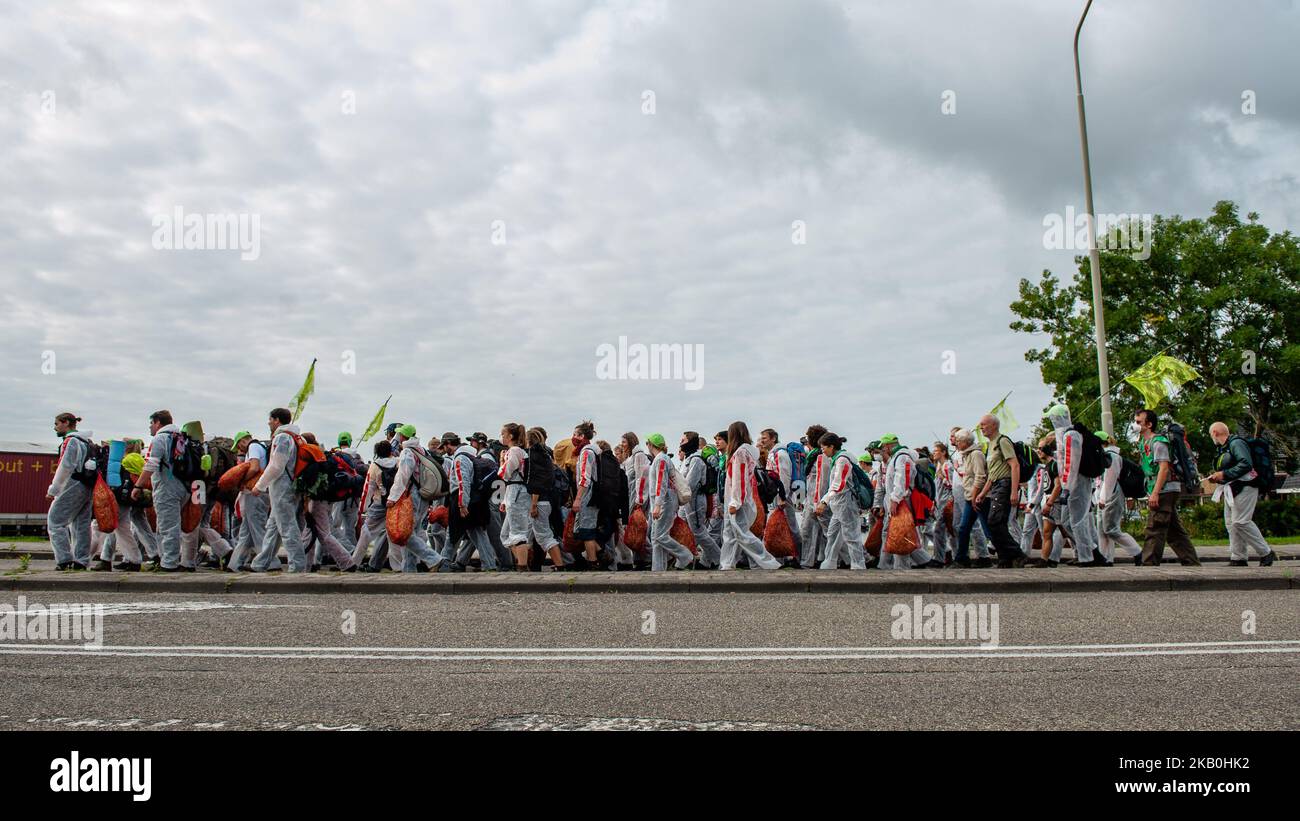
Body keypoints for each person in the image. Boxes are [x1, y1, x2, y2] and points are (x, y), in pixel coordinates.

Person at [1133, 409, 1200, 566]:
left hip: (1165, 489)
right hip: (1161, 488)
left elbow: (1164, 468)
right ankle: (1191, 561)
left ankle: (1149, 563)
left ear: (1149, 424)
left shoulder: (1158, 442)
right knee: (1173, 530)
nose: (1135, 425)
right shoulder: (1144, 443)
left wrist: (1155, 493)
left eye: (1138, 422)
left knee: (1155, 526)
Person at [250, 408, 310, 573]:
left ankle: (297, 565)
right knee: (273, 527)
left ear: (277, 420)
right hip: (293, 485)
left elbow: (276, 465)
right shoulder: (298, 438)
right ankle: (261, 563)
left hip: (282, 487)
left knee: (287, 527)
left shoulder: (282, 438)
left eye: (270, 419)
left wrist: (259, 485)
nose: (268, 422)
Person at [1207, 422, 1275, 567]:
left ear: (1214, 432)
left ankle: (1266, 552)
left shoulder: (1236, 443)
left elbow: (1246, 464)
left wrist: (1223, 473)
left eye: (1210, 434)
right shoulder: (1226, 446)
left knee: (1241, 521)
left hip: (1246, 486)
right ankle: (1238, 557)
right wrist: (1219, 477)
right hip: (1233, 487)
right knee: (1231, 523)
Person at [718, 421, 782, 571]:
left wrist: (735, 502)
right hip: (743, 498)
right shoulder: (749, 452)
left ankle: (769, 562)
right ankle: (727, 564)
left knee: (742, 534)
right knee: (731, 534)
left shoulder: (740, 453)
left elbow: (739, 479)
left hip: (738, 500)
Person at [1045, 404, 1099, 566]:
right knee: (1066, 521)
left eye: (1053, 417)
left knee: (1077, 520)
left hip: (1076, 482)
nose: (1052, 420)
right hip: (1070, 482)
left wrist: (1066, 487)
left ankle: (1087, 557)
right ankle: (1091, 551)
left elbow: (1071, 463)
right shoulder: (1064, 434)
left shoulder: (1071, 435)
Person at [135, 410, 187, 572]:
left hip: (166, 487)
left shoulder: (160, 438)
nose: (150, 427)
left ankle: (169, 563)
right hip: (183, 487)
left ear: (158, 422)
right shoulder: (182, 438)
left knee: (167, 526)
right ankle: (167, 558)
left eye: (151, 423)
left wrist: (138, 486)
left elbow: (151, 464)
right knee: (171, 526)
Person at [387, 424, 444, 572]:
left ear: (403, 436)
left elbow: (403, 475)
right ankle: (409, 569)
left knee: (405, 534)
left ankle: (433, 559)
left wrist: (393, 497)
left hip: (410, 495)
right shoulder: (421, 450)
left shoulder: (407, 451)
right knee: (413, 531)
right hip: (423, 495)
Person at [879, 434, 940, 569]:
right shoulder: (898, 458)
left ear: (888, 446)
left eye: (883, 448)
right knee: (901, 534)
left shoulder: (902, 457)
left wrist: (895, 500)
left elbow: (902, 480)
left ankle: (902, 569)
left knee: (901, 535)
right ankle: (921, 561)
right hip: (900, 501)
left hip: (902, 502)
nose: (883, 451)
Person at [974, 414, 1025, 567]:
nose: (981, 427)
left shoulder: (1002, 441)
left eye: (984, 424)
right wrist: (982, 493)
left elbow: (1014, 465)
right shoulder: (990, 445)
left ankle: (1016, 552)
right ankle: (1005, 558)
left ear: (994, 426)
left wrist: (1014, 491)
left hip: (1005, 483)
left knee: (994, 521)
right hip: (996, 484)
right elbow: (992, 473)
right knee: (997, 523)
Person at [46, 412, 95, 570]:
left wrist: (54, 489)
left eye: (57, 424)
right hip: (87, 485)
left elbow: (65, 466)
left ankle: (64, 560)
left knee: (55, 522)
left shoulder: (71, 441)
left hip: (72, 483)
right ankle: (81, 561)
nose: (55, 427)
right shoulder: (87, 442)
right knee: (81, 524)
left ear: (66, 423)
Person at [813, 433, 868, 570]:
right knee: (832, 534)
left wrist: (824, 501)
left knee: (851, 536)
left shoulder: (842, 460)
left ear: (832, 446)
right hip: (839, 504)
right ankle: (829, 562)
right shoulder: (838, 459)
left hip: (846, 503)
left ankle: (858, 565)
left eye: (823, 447)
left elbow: (838, 484)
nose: (822, 451)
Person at [645, 433, 695, 570]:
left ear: (650, 444)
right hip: (665, 501)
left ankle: (685, 555)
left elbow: (661, 483)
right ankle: (658, 569)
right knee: (656, 538)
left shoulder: (660, 460)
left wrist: (657, 505)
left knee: (659, 535)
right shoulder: (662, 459)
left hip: (665, 502)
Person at [227, 430, 271, 572]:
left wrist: (241, 481)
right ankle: (235, 564)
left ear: (243, 441)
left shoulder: (253, 447)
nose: (239, 449)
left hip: (255, 493)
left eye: (239, 445)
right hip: (259, 492)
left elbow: (254, 467)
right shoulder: (261, 447)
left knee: (258, 528)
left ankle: (270, 563)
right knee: (245, 533)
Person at [1095, 432, 1142, 564]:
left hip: (1111, 495)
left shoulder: (1112, 457)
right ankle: (1105, 558)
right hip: (1104, 496)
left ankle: (1138, 552)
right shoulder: (1104, 456)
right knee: (1102, 530)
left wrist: (1103, 498)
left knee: (1111, 529)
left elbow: (1110, 479)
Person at [354, 439, 399, 572]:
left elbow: (368, 490)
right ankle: (397, 565)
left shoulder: (374, 466)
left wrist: (362, 509)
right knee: (392, 533)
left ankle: (354, 561)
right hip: (396, 502)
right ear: (391, 451)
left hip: (379, 502)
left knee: (366, 532)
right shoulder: (398, 462)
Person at [759, 428, 803, 557]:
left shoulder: (780, 454)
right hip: (776, 495)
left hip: (782, 496)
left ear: (773, 438)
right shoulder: (773, 453)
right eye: (761, 438)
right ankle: (784, 556)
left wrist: (782, 497)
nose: (762, 441)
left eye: (764, 438)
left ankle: (799, 556)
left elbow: (784, 476)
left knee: (791, 526)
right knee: (783, 526)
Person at [681, 432, 721, 569]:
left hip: (696, 500)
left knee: (700, 532)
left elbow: (690, 483)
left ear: (690, 441)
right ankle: (708, 560)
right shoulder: (689, 458)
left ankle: (718, 559)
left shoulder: (696, 459)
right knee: (697, 532)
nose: (681, 442)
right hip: (689, 501)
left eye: (684, 439)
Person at [498, 423, 535, 570]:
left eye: (503, 434)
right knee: (505, 534)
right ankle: (523, 559)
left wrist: (501, 462)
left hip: (516, 491)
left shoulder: (514, 451)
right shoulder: (519, 451)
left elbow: (506, 472)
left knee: (517, 532)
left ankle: (522, 565)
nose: (501, 437)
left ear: (510, 436)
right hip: (515, 491)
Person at [952, 429, 991, 568]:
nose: (956, 443)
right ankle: (962, 558)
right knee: (964, 528)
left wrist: (975, 496)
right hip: (970, 497)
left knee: (989, 528)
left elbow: (980, 477)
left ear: (965, 442)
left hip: (978, 498)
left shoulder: (976, 454)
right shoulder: (967, 455)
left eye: (958, 441)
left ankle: (1007, 553)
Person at [569, 421, 603, 566]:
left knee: (587, 531)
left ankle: (592, 562)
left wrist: (578, 499)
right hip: (594, 494)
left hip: (587, 495)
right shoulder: (595, 451)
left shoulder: (586, 452)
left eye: (575, 434)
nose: (573, 437)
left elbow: (584, 478)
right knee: (581, 530)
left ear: (582, 436)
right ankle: (601, 553)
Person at [798, 424, 831, 570]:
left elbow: (821, 482)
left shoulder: (820, 457)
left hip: (817, 500)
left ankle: (808, 561)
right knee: (821, 532)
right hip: (813, 499)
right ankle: (818, 559)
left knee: (809, 531)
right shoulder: (813, 456)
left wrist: (818, 502)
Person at [930, 441, 955, 566]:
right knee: (944, 531)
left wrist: (942, 478)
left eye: (936, 451)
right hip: (939, 503)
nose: (933, 453)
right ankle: (946, 555)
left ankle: (940, 558)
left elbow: (953, 485)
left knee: (939, 530)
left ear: (943, 452)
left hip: (947, 502)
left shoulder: (947, 466)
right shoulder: (938, 467)